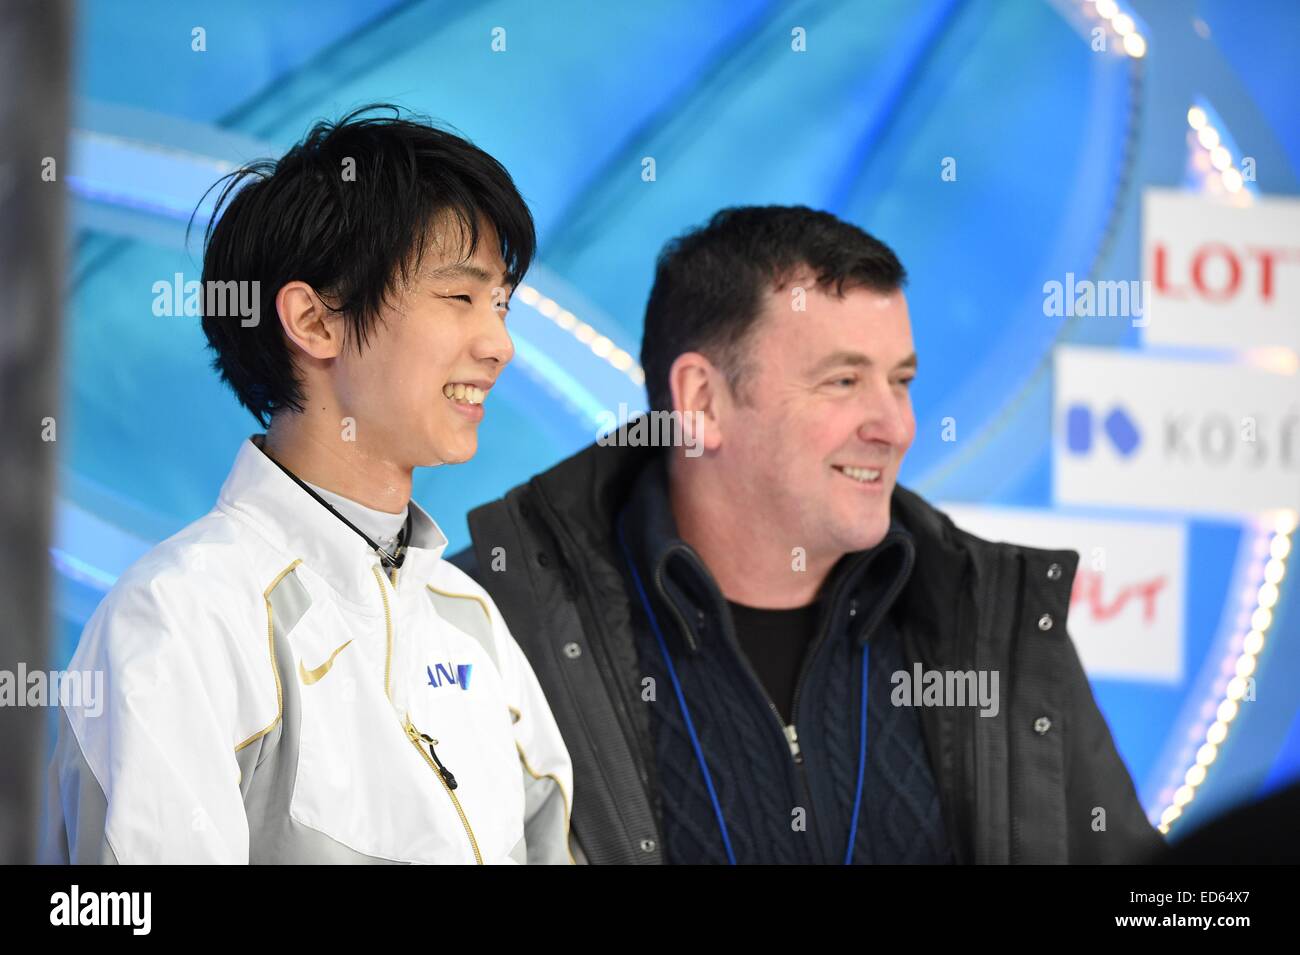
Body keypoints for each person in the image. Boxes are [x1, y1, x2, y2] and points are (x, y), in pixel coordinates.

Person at [452, 205, 1164, 864]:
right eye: (844, 382)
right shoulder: (493, 622)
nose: (896, 425)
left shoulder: (982, 613)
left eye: (901, 381)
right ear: (701, 400)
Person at [39, 105, 572, 864]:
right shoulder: (177, 621)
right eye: (460, 297)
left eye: (502, 304)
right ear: (314, 322)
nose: (500, 344)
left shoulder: (473, 624)